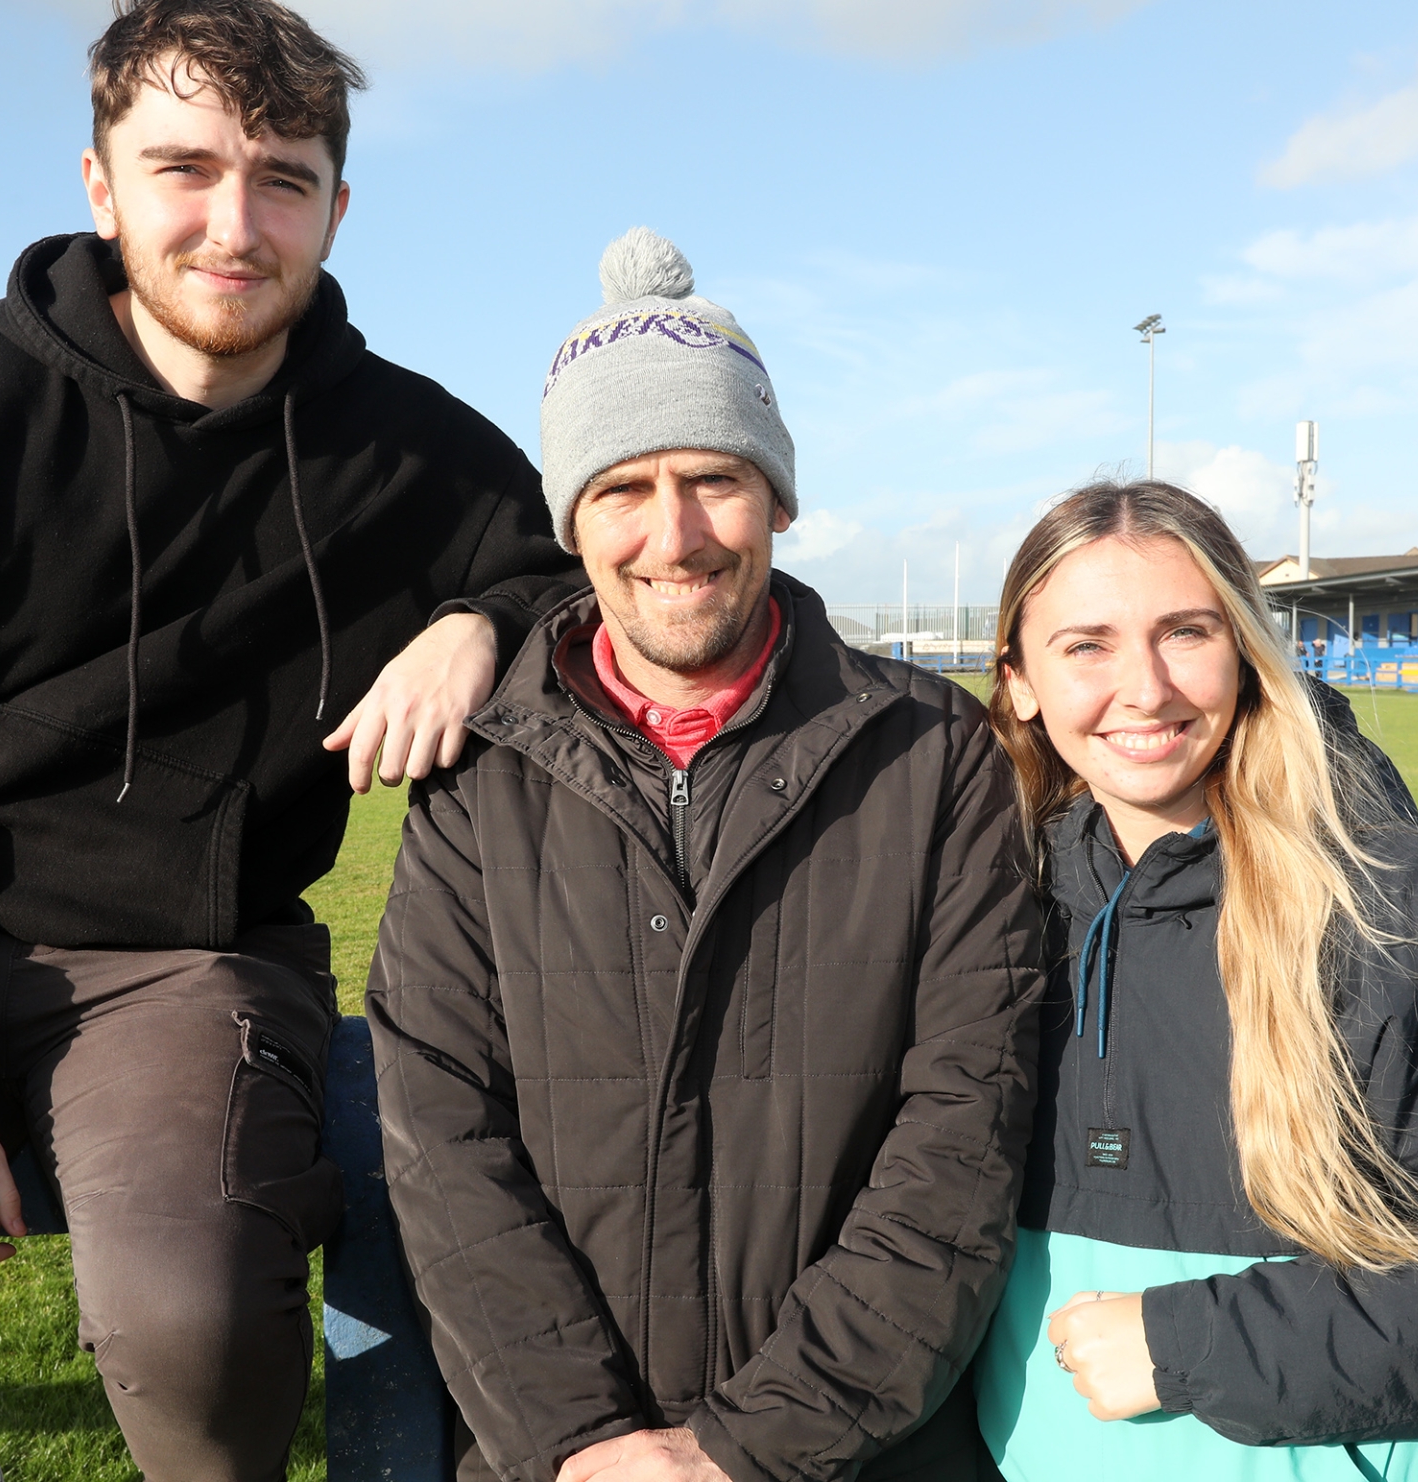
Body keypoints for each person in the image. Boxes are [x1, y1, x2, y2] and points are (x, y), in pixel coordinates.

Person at [0, 0, 574, 1482]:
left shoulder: (408, 447)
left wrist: (479, 621)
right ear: (103, 185)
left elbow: (572, 570)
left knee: (200, 1339)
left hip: (185, 968)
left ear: (336, 211)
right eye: (187, 169)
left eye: (282, 181)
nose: (235, 225)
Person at [367, 228, 1045, 1482]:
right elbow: (439, 1134)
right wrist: (580, 1441)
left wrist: (752, 1447)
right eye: (622, 488)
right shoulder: (478, 777)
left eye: (716, 479)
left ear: (780, 498)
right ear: (571, 523)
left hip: (861, 1450)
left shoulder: (934, 754)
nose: (673, 535)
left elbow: (966, 1131)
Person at [972, 479, 1418, 1481]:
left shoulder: (1398, 903)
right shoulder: (984, 915)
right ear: (1019, 680)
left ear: (1244, 651)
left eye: (1186, 633)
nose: (1144, 689)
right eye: (1087, 645)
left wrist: (1201, 1345)